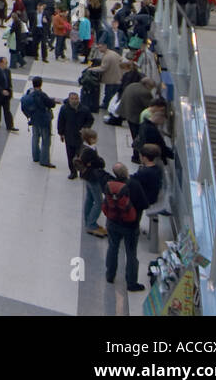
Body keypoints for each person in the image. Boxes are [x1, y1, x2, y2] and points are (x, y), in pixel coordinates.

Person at [103, 163, 149, 293]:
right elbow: (144, 204)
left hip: (112, 222)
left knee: (112, 247)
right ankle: (131, 282)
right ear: (126, 172)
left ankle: (110, 275)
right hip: (130, 225)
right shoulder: (134, 185)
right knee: (131, 253)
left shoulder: (110, 185)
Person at [75, 128, 107, 237]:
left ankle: (88, 220)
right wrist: (99, 161)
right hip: (92, 177)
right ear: (91, 139)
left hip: (87, 176)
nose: (97, 139)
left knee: (90, 198)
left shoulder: (83, 147)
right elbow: (100, 163)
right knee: (99, 201)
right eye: (95, 138)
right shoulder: (89, 151)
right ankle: (91, 224)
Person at [57, 93, 94, 179]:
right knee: (70, 155)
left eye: (76, 99)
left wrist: (85, 128)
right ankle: (73, 172)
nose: (74, 101)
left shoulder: (84, 109)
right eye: (72, 99)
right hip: (69, 136)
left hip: (80, 137)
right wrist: (61, 133)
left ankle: (82, 171)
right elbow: (61, 122)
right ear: (69, 99)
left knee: (80, 155)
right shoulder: (64, 109)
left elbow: (90, 120)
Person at [0, 57, 18, 131]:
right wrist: (2, 91)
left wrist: (10, 91)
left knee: (7, 110)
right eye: (5, 63)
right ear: (0, 63)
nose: (6, 64)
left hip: (6, 95)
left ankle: (10, 126)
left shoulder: (8, 71)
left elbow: (9, 82)